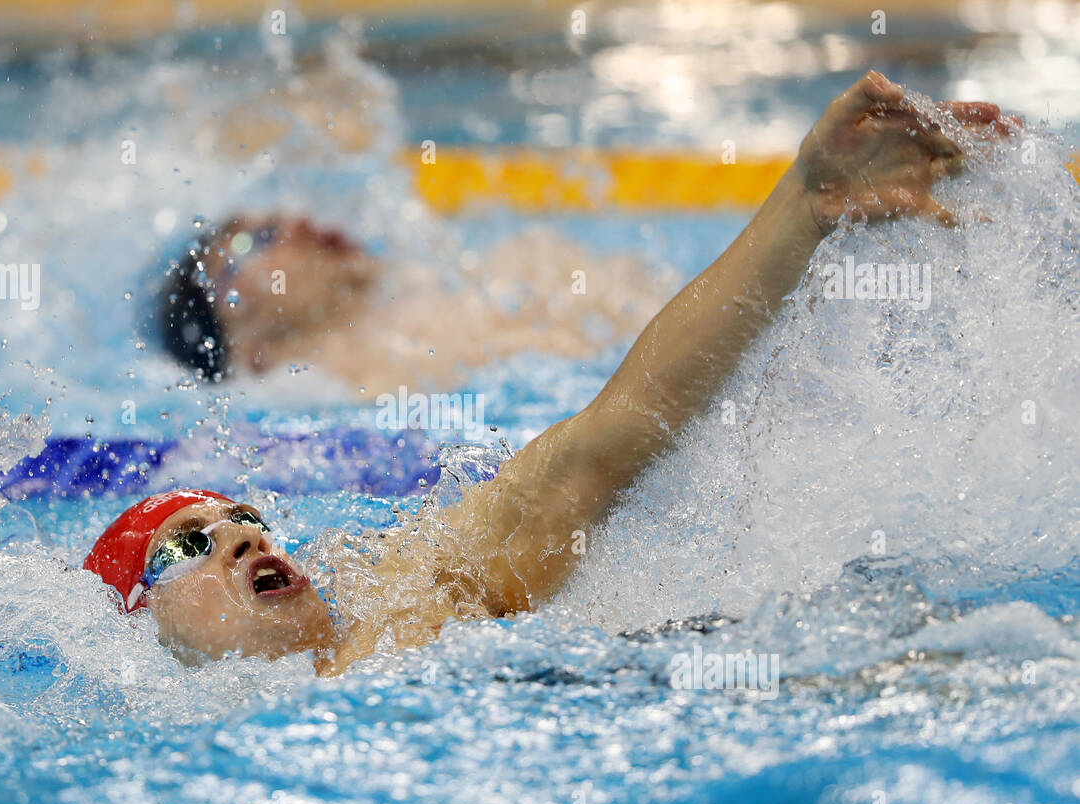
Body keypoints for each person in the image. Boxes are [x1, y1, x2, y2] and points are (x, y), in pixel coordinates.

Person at [94, 72, 1013, 676]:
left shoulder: (414, 596)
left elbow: (604, 442)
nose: (241, 540)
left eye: (243, 518)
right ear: (141, 636)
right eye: (186, 546)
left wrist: (802, 209)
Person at [155, 215, 667, 391]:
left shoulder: (445, 294)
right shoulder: (371, 380)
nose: (296, 222)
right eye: (257, 240)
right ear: (249, 348)